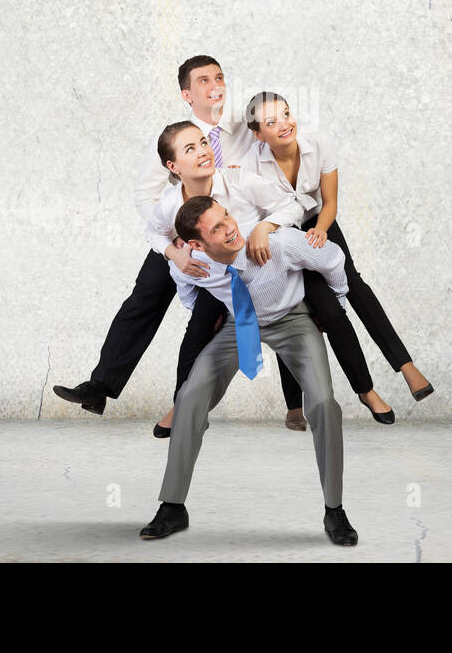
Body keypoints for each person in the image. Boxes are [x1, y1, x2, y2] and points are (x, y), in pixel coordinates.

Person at [139, 195, 359, 546]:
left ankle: (335, 510)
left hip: (292, 320)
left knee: (323, 402)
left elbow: (333, 258)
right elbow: (187, 292)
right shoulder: (191, 261)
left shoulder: (277, 243)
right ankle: (173, 506)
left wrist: (335, 305)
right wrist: (209, 316)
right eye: (217, 227)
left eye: (226, 216)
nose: (230, 228)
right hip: (238, 326)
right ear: (197, 244)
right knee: (190, 396)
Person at [150, 123, 394, 434]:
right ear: (173, 167)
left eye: (202, 143)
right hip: (225, 275)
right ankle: (183, 407)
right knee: (197, 330)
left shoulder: (238, 180)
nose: (202, 151)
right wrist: (175, 254)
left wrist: (265, 228)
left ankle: (365, 390)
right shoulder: (170, 205)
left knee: (331, 314)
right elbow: (153, 234)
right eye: (190, 149)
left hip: (274, 261)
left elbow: (290, 207)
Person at [51, 55, 252, 416]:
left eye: (219, 77)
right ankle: (99, 386)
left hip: (228, 242)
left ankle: (188, 407)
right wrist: (172, 245)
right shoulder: (175, 137)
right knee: (143, 300)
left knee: (208, 321)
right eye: (203, 81)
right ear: (187, 95)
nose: (214, 85)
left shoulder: (243, 131)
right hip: (179, 237)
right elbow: (146, 196)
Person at [241, 91, 434, 421]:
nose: (285, 124)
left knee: (354, 283)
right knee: (318, 310)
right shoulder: (251, 165)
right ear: (258, 134)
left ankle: (405, 365)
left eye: (286, 114)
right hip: (280, 233)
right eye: (271, 122)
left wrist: (322, 230)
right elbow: (261, 213)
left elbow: (329, 202)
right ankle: (364, 391)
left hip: (318, 220)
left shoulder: (318, 144)